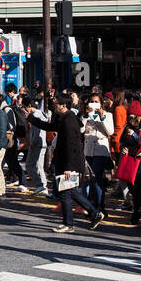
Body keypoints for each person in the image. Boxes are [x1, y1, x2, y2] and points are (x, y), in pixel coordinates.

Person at [30, 93, 102, 233]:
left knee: (65, 193)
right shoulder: (64, 118)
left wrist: (69, 167)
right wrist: (31, 117)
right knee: (71, 192)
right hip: (66, 162)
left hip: (69, 164)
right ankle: (94, 213)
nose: (53, 105)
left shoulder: (69, 121)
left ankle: (69, 223)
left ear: (63, 106)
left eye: (56, 103)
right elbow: (50, 126)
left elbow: (72, 145)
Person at [82, 92, 113, 212]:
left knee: (97, 178)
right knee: (89, 179)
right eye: (92, 102)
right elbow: (81, 129)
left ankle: (100, 206)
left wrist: (102, 116)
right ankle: (93, 205)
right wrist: (85, 115)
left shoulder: (108, 115)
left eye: (96, 102)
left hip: (100, 149)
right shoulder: (86, 115)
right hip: (88, 149)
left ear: (101, 103)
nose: (94, 104)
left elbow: (110, 132)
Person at [23, 99, 50, 196]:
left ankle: (40, 185)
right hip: (42, 143)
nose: (24, 110)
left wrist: (33, 142)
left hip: (36, 143)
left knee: (29, 165)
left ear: (29, 105)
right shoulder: (41, 113)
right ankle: (43, 186)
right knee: (39, 166)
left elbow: (36, 130)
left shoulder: (35, 115)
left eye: (25, 107)